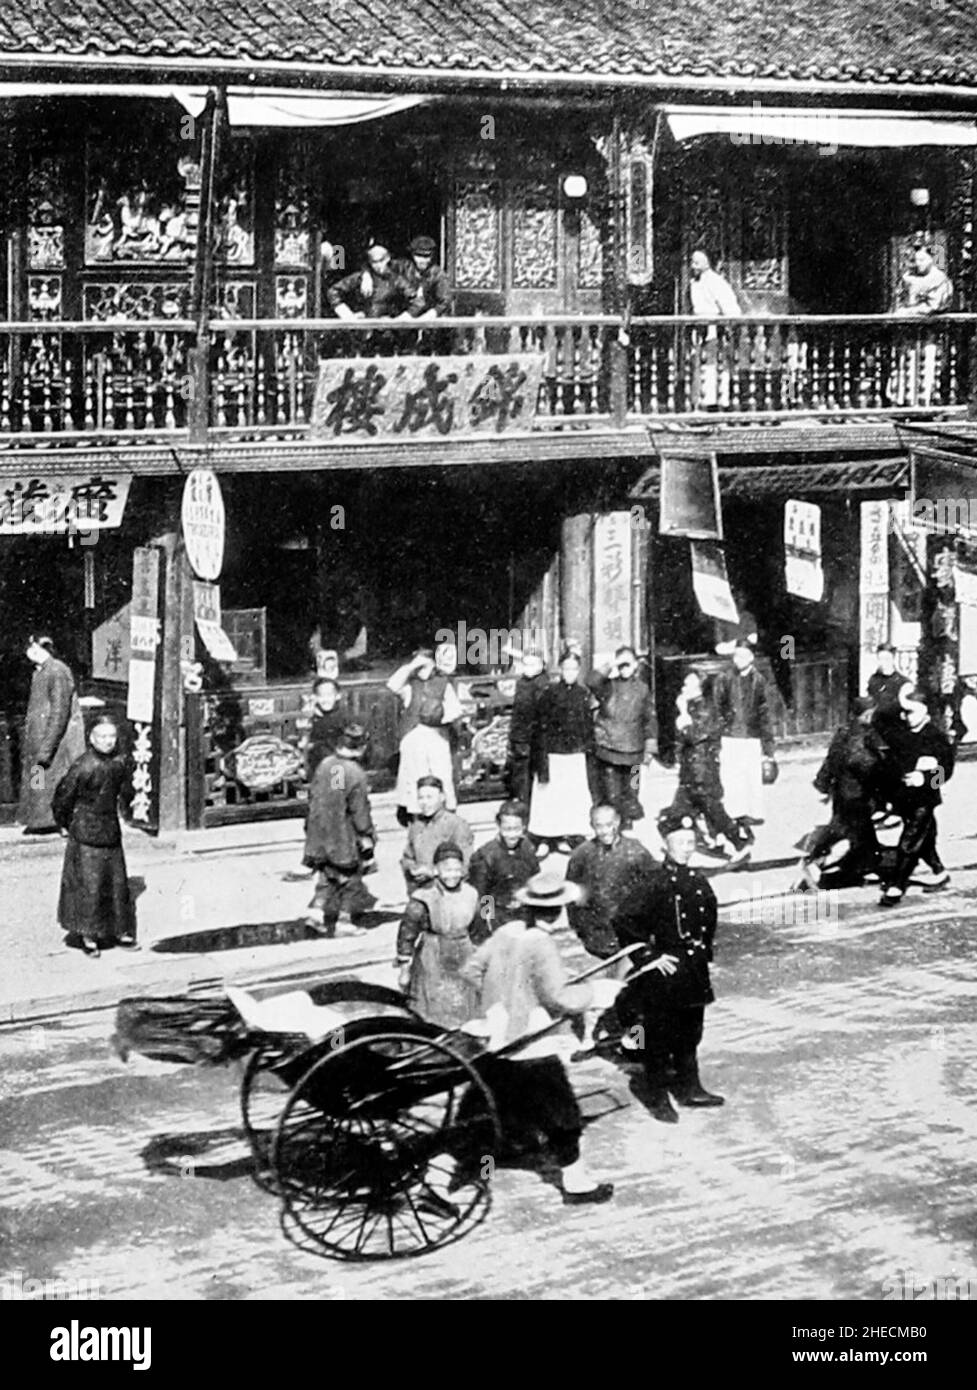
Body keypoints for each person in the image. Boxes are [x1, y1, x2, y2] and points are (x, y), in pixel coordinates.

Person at [459, 871, 614, 1204]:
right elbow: (559, 996)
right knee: (564, 1116)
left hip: (497, 1039)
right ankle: (576, 1184)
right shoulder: (542, 944)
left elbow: (471, 970)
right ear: (558, 910)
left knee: (477, 1112)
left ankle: (437, 1177)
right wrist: (595, 993)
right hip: (532, 1043)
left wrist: (498, 1005)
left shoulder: (506, 932)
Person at [615, 807, 724, 1125]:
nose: (687, 848)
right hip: (666, 973)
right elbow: (624, 919)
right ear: (665, 844)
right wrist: (649, 958)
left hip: (693, 971)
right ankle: (656, 1094)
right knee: (660, 1036)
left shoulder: (698, 880)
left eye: (691, 842)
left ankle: (690, 1088)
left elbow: (709, 919)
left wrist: (705, 956)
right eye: (680, 841)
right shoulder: (655, 881)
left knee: (691, 1032)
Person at [566, 803, 658, 1056]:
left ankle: (635, 1041)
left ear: (618, 822)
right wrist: (580, 928)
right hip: (596, 936)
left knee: (631, 991)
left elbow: (654, 888)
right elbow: (574, 894)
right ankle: (588, 1039)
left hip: (628, 937)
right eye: (598, 825)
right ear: (591, 825)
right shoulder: (582, 854)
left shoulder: (635, 852)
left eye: (609, 824)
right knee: (595, 994)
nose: (604, 830)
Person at [51, 715, 135, 958]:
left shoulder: (120, 762)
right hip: (85, 830)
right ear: (91, 738)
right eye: (102, 736)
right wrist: (66, 823)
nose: (108, 742)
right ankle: (88, 935)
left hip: (109, 827)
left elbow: (125, 791)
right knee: (88, 885)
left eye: (112, 736)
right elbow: (62, 797)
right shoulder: (83, 766)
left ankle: (118, 929)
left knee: (116, 883)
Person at [795, 697, 885, 891]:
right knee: (845, 832)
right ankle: (814, 864)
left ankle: (866, 867)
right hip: (857, 795)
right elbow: (865, 764)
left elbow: (830, 761)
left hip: (842, 792)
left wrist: (823, 784)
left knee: (859, 834)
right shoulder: (867, 734)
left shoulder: (842, 732)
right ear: (867, 715)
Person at [879, 688, 954, 907]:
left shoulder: (935, 737)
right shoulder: (904, 733)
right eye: (903, 712)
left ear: (923, 712)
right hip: (905, 798)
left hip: (925, 798)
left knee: (909, 841)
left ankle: (896, 886)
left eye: (910, 712)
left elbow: (946, 770)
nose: (904, 716)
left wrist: (925, 778)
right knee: (925, 838)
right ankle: (940, 873)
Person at [301, 722, 376, 938]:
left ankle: (315, 914)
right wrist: (367, 834)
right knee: (351, 879)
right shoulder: (355, 773)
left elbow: (319, 796)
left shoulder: (326, 765)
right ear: (361, 748)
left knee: (326, 876)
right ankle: (344, 921)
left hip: (319, 831)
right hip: (343, 835)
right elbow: (359, 811)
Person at [396, 842, 481, 1027]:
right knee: (432, 1009)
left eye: (457, 870)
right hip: (433, 955)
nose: (452, 875)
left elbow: (480, 923)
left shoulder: (472, 893)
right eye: (447, 870)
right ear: (435, 870)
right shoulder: (423, 898)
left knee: (467, 1005)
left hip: (463, 953)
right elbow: (407, 935)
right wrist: (404, 969)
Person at [671, 668, 751, 864]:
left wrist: (682, 714)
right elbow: (681, 739)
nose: (683, 688)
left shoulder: (706, 709)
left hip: (703, 770)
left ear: (699, 688)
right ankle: (714, 840)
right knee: (696, 810)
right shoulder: (692, 707)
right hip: (691, 770)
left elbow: (693, 736)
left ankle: (738, 841)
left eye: (688, 684)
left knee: (712, 810)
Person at [528, 645, 595, 853]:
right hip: (553, 753)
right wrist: (542, 758)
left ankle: (566, 836)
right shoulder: (550, 693)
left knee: (571, 796)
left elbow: (587, 725)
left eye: (574, 669)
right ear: (560, 669)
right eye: (566, 668)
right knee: (550, 797)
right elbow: (540, 727)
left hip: (574, 753)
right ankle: (547, 839)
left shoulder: (583, 694)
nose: (570, 673)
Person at [19, 635, 87, 835]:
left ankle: (60, 821)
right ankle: (40, 820)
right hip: (40, 739)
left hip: (54, 743)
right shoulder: (43, 671)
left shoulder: (56, 671)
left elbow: (59, 712)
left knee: (55, 782)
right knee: (38, 780)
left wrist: (47, 748)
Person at [388, 644, 463, 822]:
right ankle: (416, 812)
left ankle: (447, 811)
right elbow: (392, 685)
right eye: (419, 666)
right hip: (414, 734)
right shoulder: (410, 685)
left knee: (441, 772)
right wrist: (411, 666)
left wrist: (440, 716)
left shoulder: (443, 683)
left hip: (436, 734)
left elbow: (455, 709)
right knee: (414, 774)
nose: (422, 670)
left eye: (425, 666)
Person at [588, 647, 657, 828]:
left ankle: (628, 825)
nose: (625, 668)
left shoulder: (643, 689)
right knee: (612, 793)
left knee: (633, 790)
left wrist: (650, 748)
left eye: (629, 664)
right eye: (622, 664)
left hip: (635, 752)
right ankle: (616, 826)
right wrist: (612, 663)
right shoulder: (608, 686)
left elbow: (649, 718)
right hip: (609, 750)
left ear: (636, 666)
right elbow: (591, 680)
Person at [714, 638, 776, 838]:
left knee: (752, 775)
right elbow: (718, 708)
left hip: (752, 735)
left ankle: (754, 812)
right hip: (730, 735)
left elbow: (765, 714)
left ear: (751, 658)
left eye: (743, 655)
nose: (738, 659)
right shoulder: (724, 678)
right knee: (731, 776)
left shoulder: (759, 680)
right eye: (736, 655)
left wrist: (768, 748)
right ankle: (735, 812)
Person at [892, 238, 953, 406]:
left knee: (928, 365)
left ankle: (927, 402)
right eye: (916, 260)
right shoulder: (907, 278)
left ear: (931, 260)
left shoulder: (939, 278)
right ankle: (905, 403)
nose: (919, 264)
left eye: (923, 260)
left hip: (930, 332)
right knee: (907, 364)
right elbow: (899, 299)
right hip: (908, 331)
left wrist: (916, 309)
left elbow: (936, 304)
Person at [468, 800, 540, 940]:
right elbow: (483, 894)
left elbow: (534, 880)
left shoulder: (528, 849)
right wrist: (487, 924)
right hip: (498, 916)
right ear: (499, 826)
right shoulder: (486, 855)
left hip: (524, 914)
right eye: (507, 829)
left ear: (524, 827)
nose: (512, 835)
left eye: (517, 829)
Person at [400, 775, 473, 894]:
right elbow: (407, 857)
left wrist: (434, 872)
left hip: (450, 890)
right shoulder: (416, 826)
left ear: (442, 797)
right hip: (422, 890)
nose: (424, 802)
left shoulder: (456, 825)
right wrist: (413, 869)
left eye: (429, 797)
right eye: (421, 798)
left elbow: (466, 865)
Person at [688, 249, 742, 409]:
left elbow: (731, 309)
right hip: (699, 330)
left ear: (706, 264)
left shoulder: (716, 282)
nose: (693, 266)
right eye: (692, 262)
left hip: (713, 331)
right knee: (701, 366)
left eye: (696, 263)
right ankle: (700, 404)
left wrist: (724, 325)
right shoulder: (694, 283)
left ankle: (716, 404)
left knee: (714, 367)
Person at [504, 646, 549, 812]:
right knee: (521, 777)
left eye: (533, 664)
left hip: (536, 738)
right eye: (526, 664)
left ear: (541, 665)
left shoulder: (543, 684)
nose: (528, 668)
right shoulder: (522, 683)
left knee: (536, 777)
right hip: (521, 737)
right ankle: (524, 808)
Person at [326, 242, 409, 321]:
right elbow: (333, 292)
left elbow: (416, 300)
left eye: (381, 261)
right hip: (364, 328)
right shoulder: (360, 278)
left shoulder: (396, 279)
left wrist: (399, 319)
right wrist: (347, 314)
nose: (378, 265)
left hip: (388, 330)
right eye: (374, 262)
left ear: (388, 258)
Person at [395, 236, 451, 319]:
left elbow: (445, 301)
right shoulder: (403, 268)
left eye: (426, 257)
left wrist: (432, 314)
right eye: (418, 256)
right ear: (412, 255)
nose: (422, 260)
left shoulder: (438, 274)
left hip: (431, 322)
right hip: (404, 319)